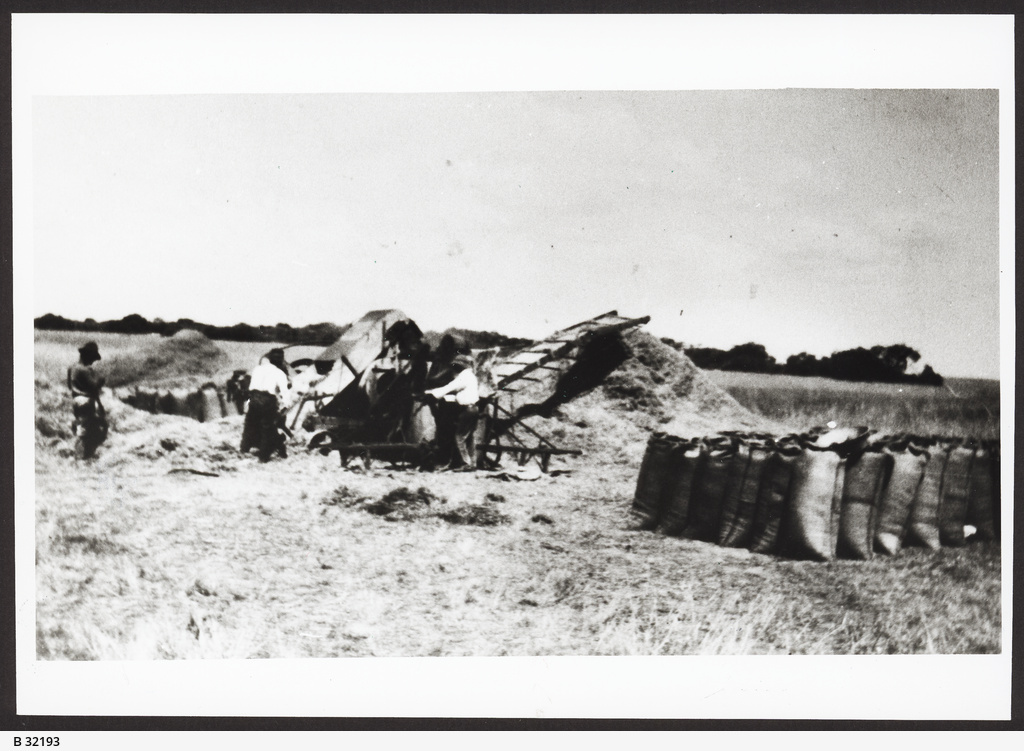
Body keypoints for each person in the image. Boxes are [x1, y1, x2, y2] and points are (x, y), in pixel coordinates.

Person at [425, 353, 480, 470]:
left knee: (459, 437)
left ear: (460, 366)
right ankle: (473, 462)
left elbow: (449, 387)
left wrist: (431, 394)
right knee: (469, 438)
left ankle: (465, 463)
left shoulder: (463, 377)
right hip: (474, 409)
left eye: (456, 366)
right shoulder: (471, 376)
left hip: (467, 410)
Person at [239, 348, 291, 462]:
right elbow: (285, 392)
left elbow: (251, 386)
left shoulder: (257, 369)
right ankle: (263, 456)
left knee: (250, 425)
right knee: (268, 428)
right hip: (267, 400)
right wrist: (286, 406)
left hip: (253, 399)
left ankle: (244, 449)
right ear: (281, 360)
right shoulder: (280, 373)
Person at [67, 341, 108, 459]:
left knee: (83, 427)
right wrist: (100, 382)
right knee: (95, 428)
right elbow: (94, 388)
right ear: (87, 356)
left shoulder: (72, 368)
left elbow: (70, 386)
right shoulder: (86, 370)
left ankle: (81, 454)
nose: (92, 362)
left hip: (76, 400)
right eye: (92, 358)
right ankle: (82, 457)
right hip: (87, 401)